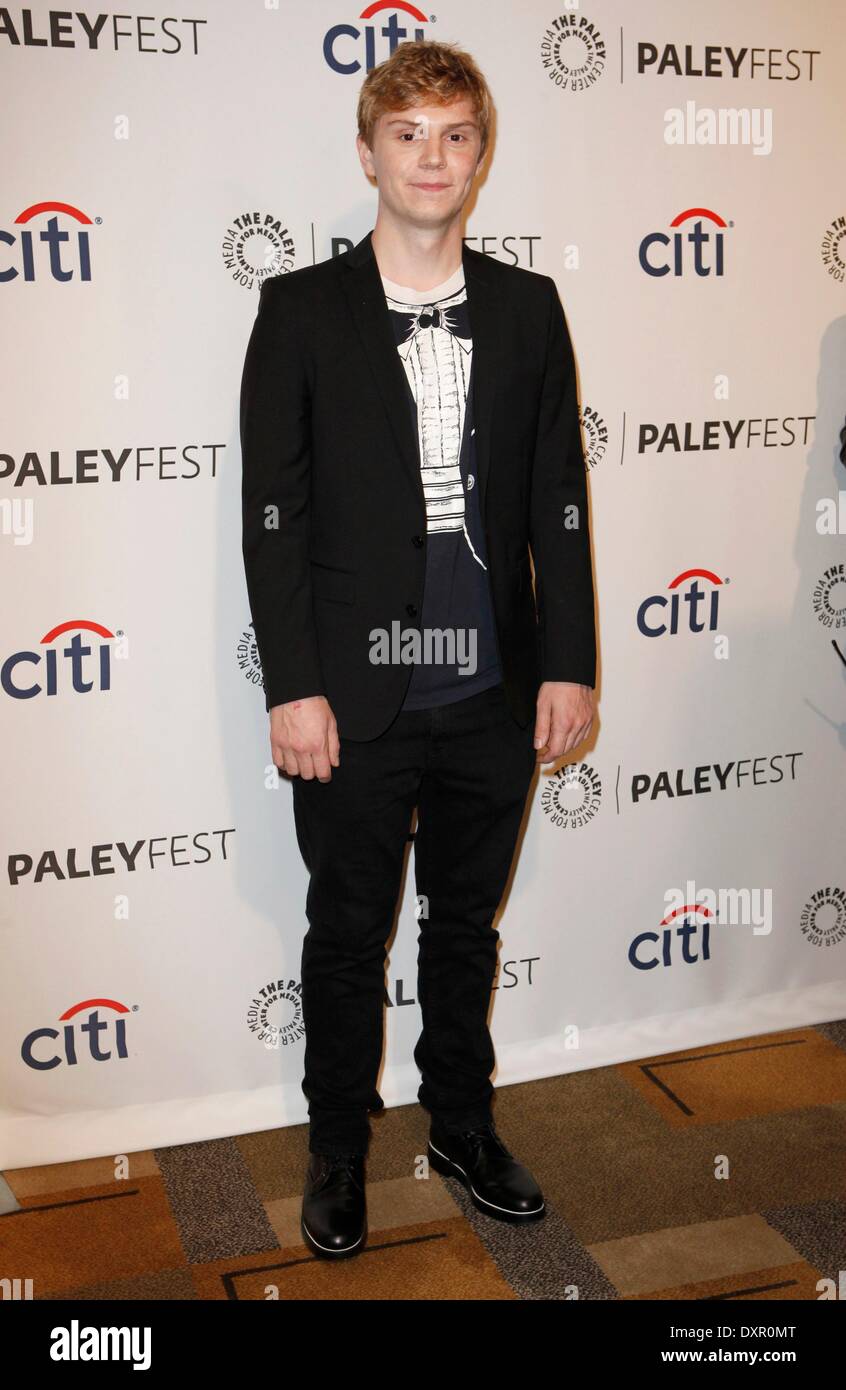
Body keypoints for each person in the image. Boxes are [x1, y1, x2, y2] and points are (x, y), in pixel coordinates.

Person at [240, 38, 597, 1261]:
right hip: (356, 688)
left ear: (481, 156)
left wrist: (571, 658)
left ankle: (461, 1126)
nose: (432, 157)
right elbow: (273, 516)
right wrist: (293, 685)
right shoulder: (298, 310)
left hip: (492, 684)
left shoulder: (528, 307)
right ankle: (338, 1144)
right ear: (369, 153)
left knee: (463, 927)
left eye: (455, 134)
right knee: (347, 932)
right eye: (409, 135)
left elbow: (560, 496)